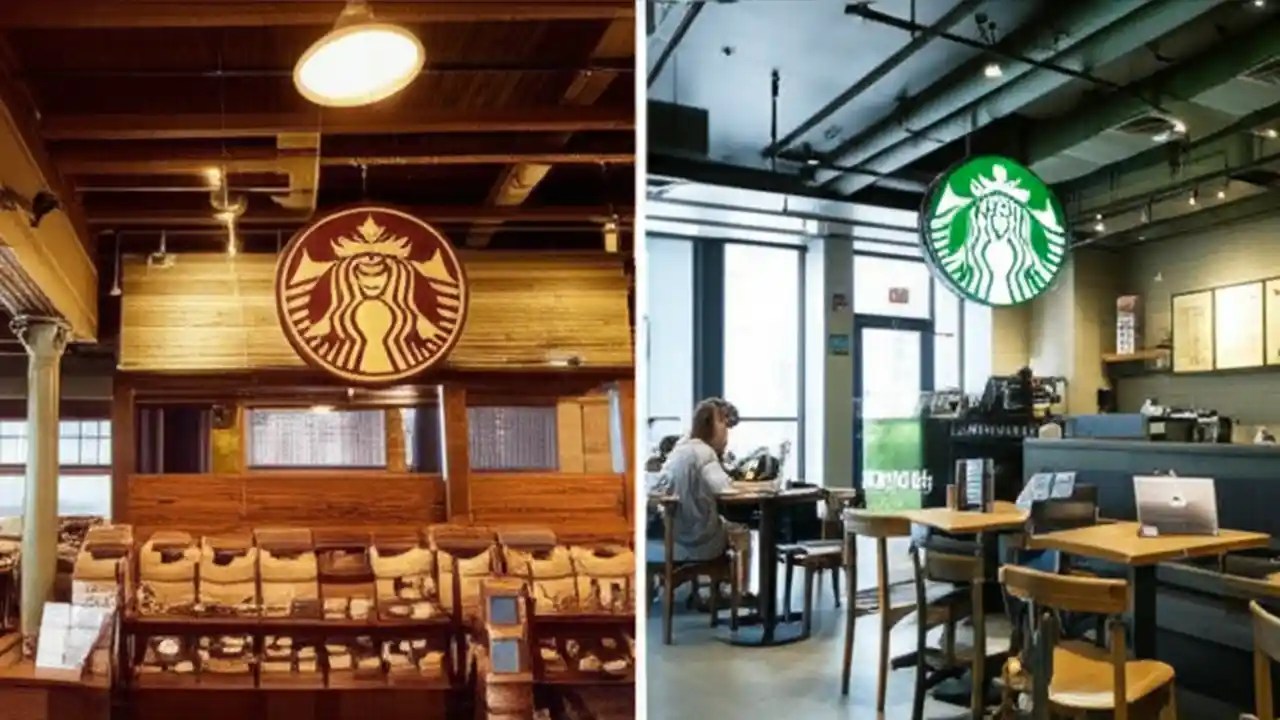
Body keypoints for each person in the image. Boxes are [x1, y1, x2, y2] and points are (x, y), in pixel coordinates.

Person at [653, 398, 752, 596]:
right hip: (700, 536)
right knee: (742, 532)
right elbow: (725, 489)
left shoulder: (679, 450)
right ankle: (739, 593)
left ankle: (720, 592)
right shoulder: (705, 454)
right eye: (724, 424)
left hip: (674, 533)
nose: (727, 433)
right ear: (714, 426)